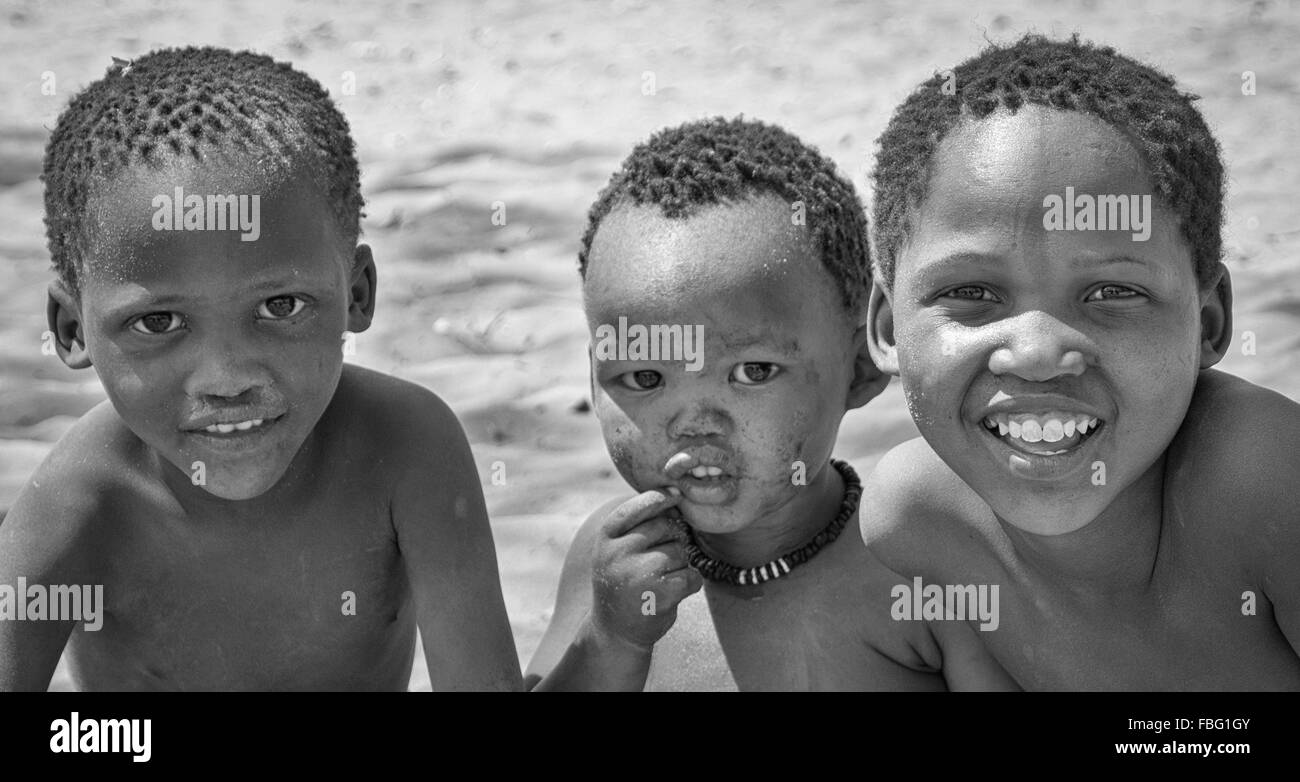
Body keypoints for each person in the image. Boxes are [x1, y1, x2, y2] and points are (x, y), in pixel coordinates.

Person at [0, 47, 521, 691]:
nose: (226, 378)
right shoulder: (80, 504)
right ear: (72, 329)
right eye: (158, 323)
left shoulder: (408, 449)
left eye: (281, 306)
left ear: (356, 294)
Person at [861, 35, 1300, 689]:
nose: (1038, 355)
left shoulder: (1265, 485)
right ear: (890, 326)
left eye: (1112, 293)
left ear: (1208, 324)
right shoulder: (918, 522)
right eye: (972, 294)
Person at [527, 117, 1017, 690]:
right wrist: (611, 642)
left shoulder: (915, 565)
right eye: (643, 375)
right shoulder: (608, 562)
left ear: (860, 365)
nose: (693, 422)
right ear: (593, 379)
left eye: (752, 371)